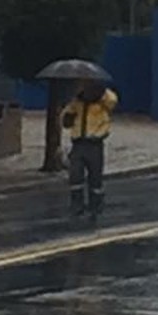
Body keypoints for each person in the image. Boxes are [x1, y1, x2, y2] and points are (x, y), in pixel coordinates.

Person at [62, 81, 118, 220]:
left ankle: (96, 204)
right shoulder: (77, 102)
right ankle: (77, 205)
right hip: (78, 142)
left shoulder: (102, 102)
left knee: (95, 176)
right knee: (75, 175)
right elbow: (67, 117)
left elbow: (113, 101)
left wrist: (101, 93)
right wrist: (68, 114)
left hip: (95, 143)